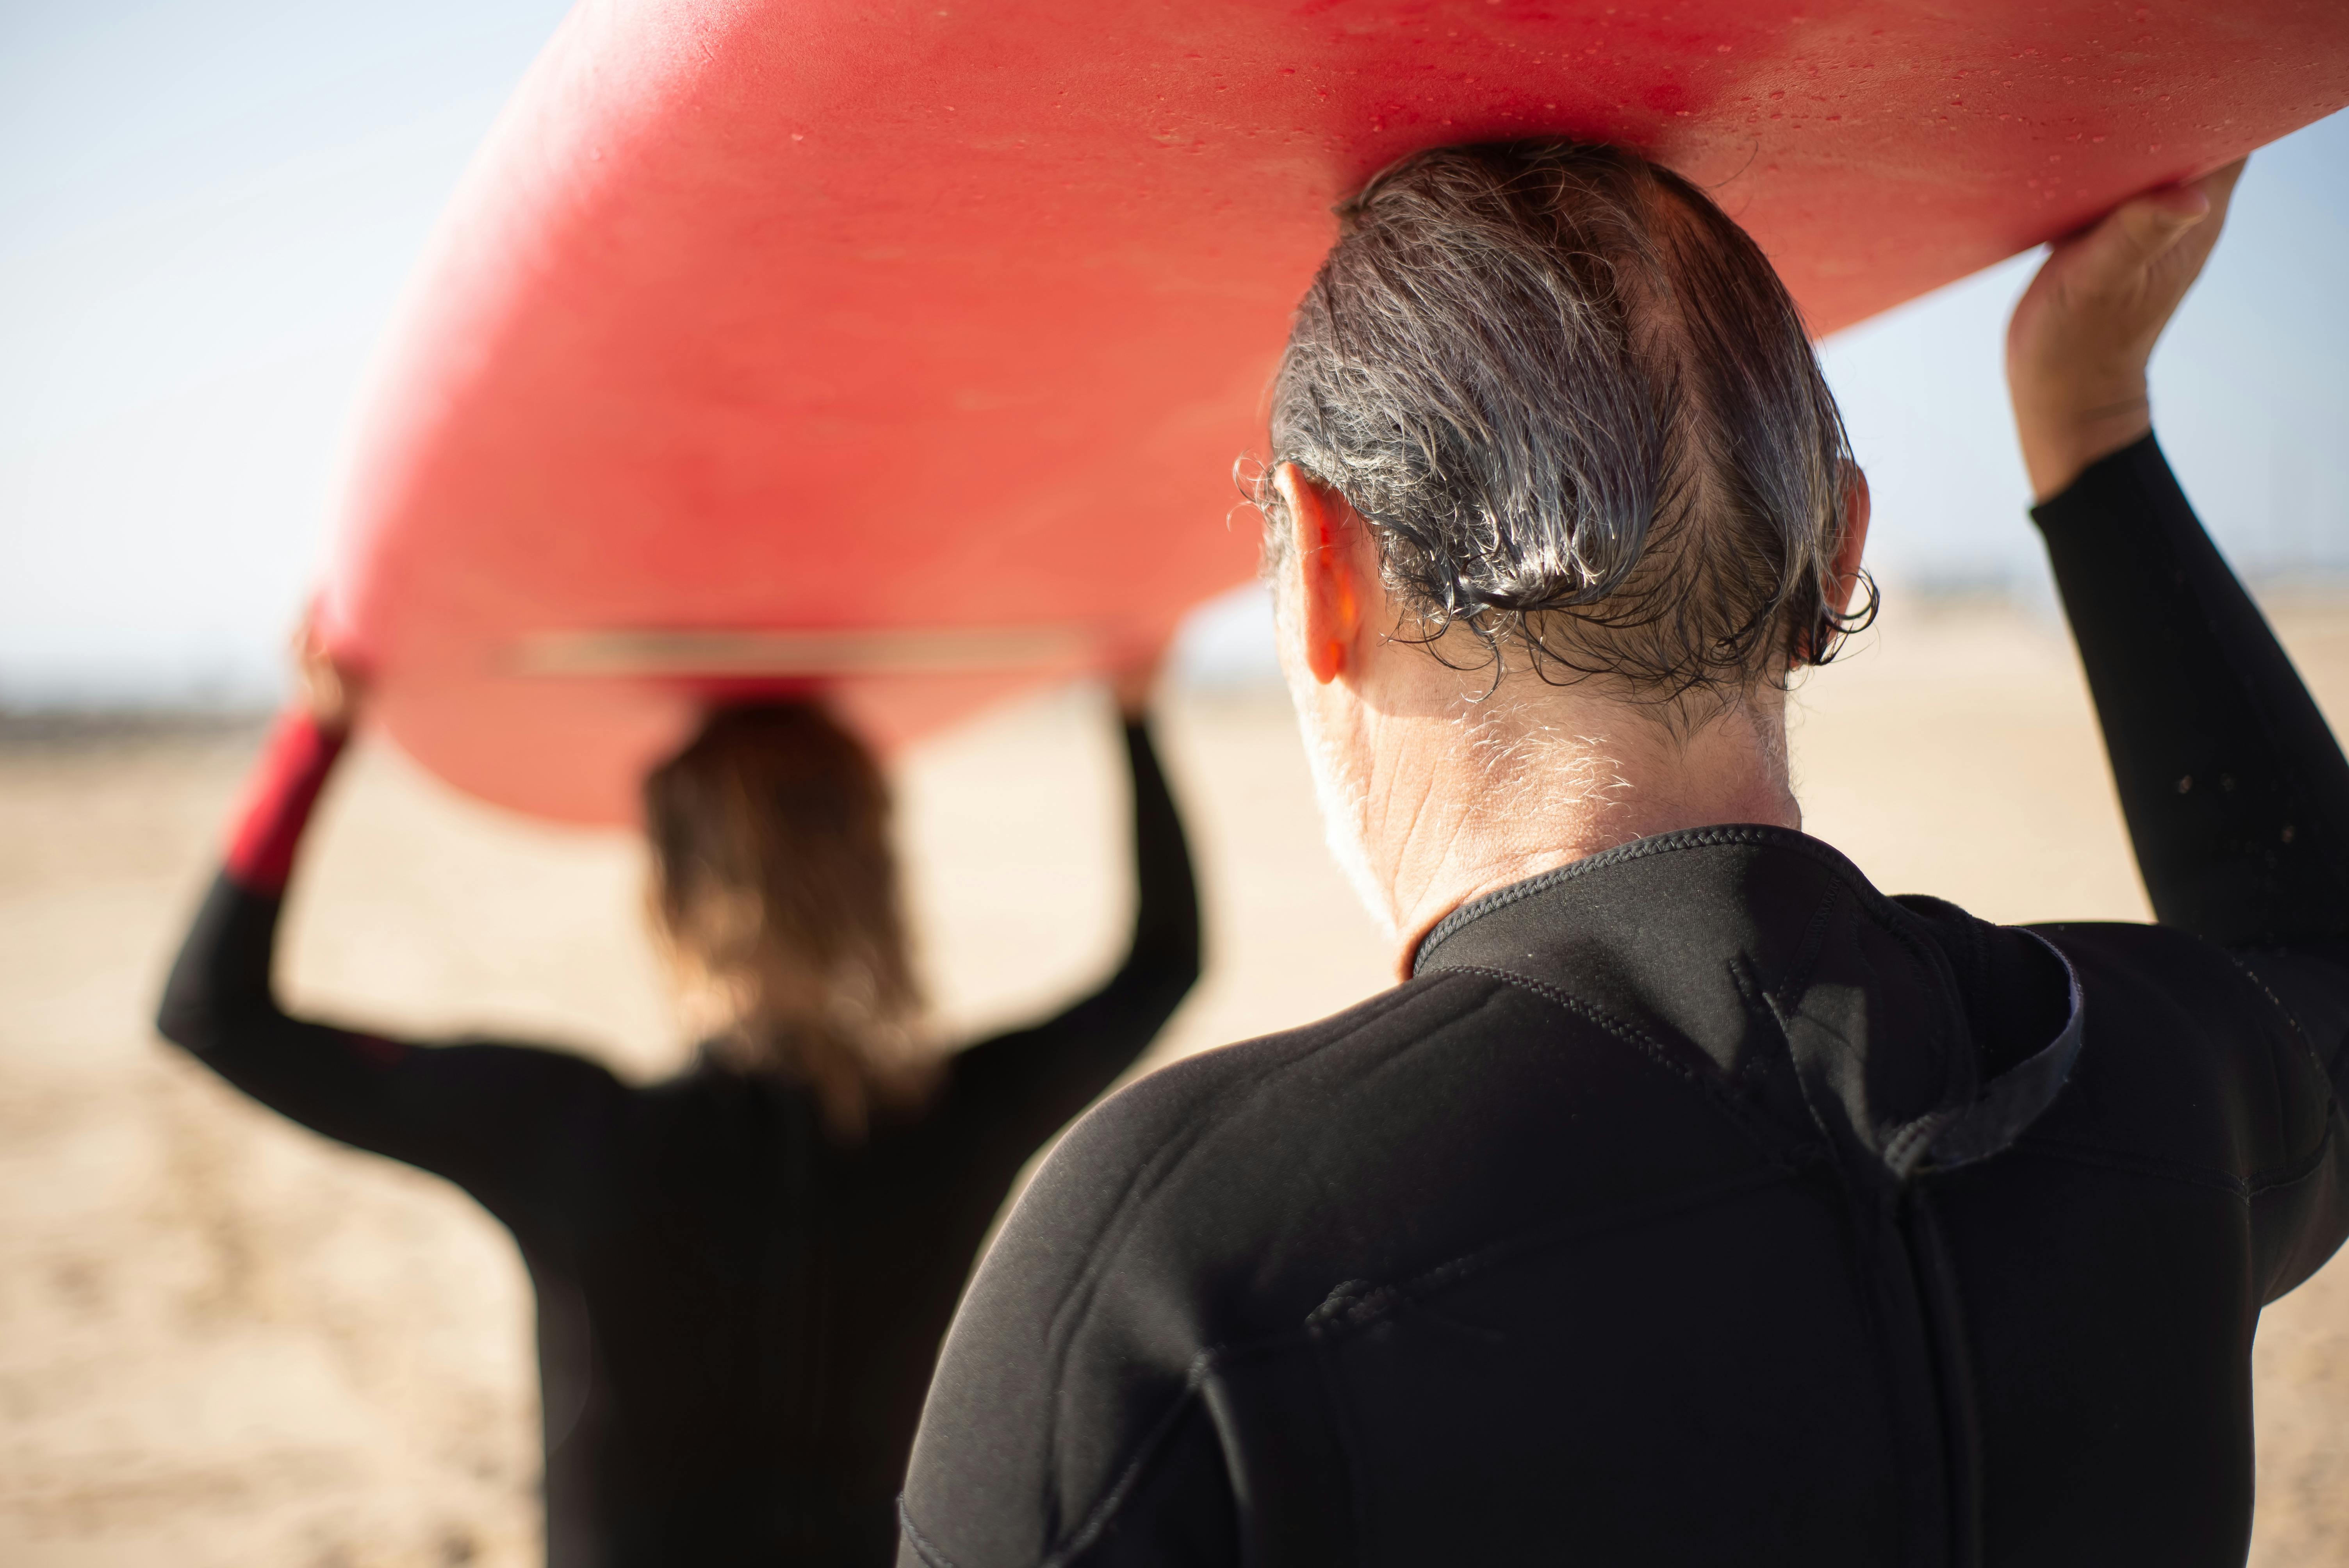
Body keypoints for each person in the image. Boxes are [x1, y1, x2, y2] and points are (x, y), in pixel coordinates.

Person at [895, 142, 2349, 1565]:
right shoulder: (2149, 1079)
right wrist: (2095, 424)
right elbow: (2322, 952)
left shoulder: (1179, 1289)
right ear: (1839, 549)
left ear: (1327, 567)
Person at [156, 642, 1199, 1566]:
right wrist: (1133, 711)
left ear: (665, 894)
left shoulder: (569, 1135)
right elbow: (1162, 964)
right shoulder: (959, 1120)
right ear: (881, 870)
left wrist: (320, 733)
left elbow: (212, 1013)